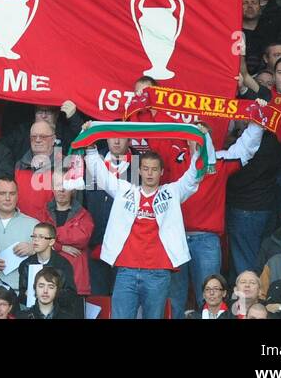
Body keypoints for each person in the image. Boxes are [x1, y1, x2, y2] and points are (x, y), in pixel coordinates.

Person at [84, 127, 201, 320]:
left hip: (158, 273)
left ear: (161, 172)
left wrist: (199, 148)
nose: (149, 173)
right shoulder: (125, 190)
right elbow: (101, 175)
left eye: (154, 169)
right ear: (139, 170)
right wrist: (90, 146)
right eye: (146, 169)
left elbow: (192, 178)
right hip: (126, 271)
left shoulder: (171, 193)